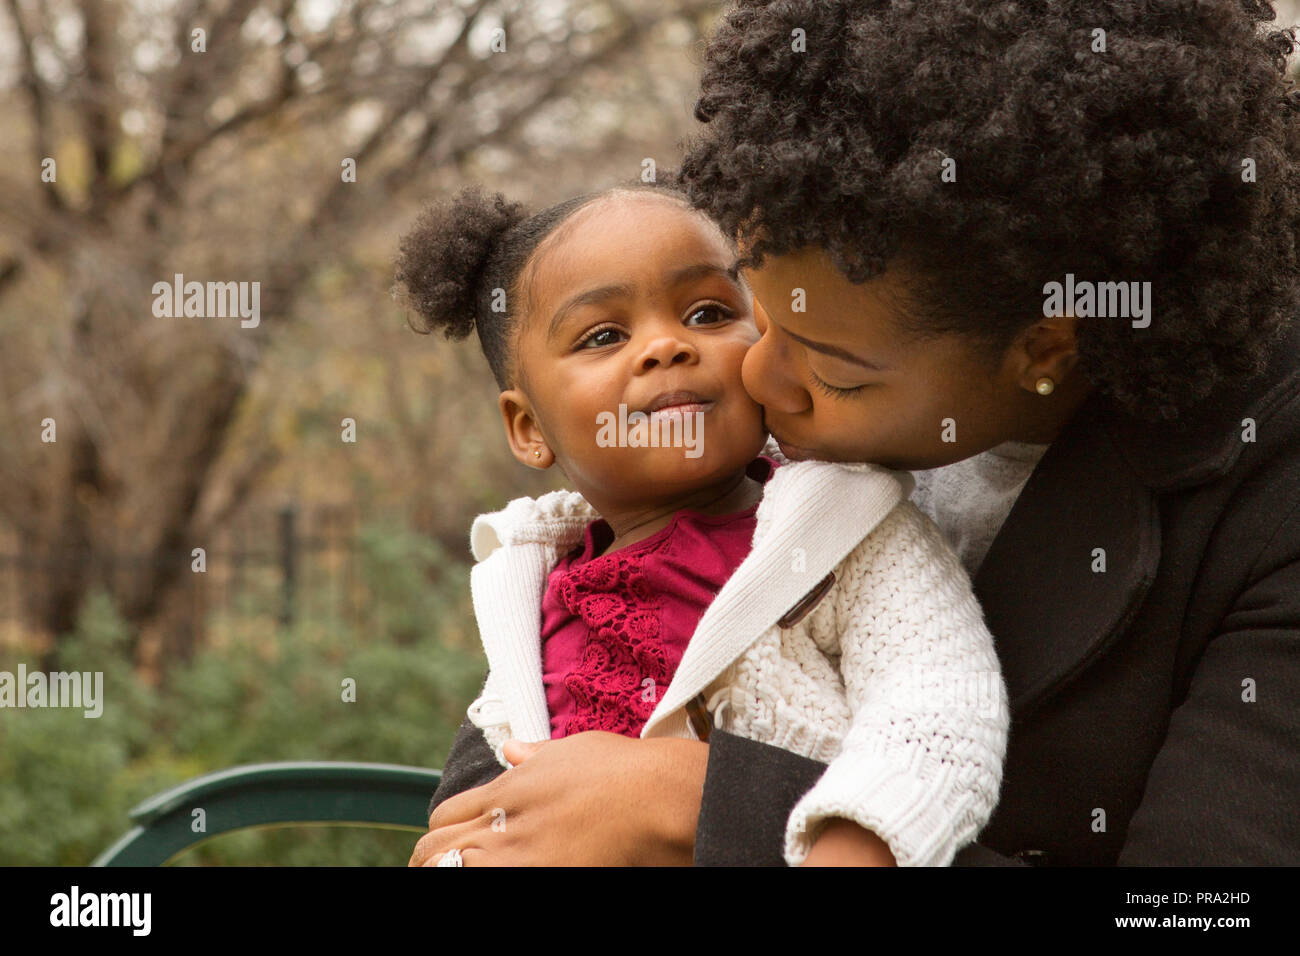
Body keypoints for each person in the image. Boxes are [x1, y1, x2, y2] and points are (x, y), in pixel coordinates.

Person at [409, 0, 1300, 865]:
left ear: (1044, 346)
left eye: (831, 367)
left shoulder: (1266, 509)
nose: (755, 376)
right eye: (759, 311)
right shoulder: (726, 455)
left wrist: (716, 813)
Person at [396, 181, 1009, 867]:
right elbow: (477, 814)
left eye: (709, 313)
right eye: (604, 335)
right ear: (529, 427)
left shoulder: (846, 530)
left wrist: (852, 848)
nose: (666, 346)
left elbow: (937, 715)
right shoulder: (535, 587)